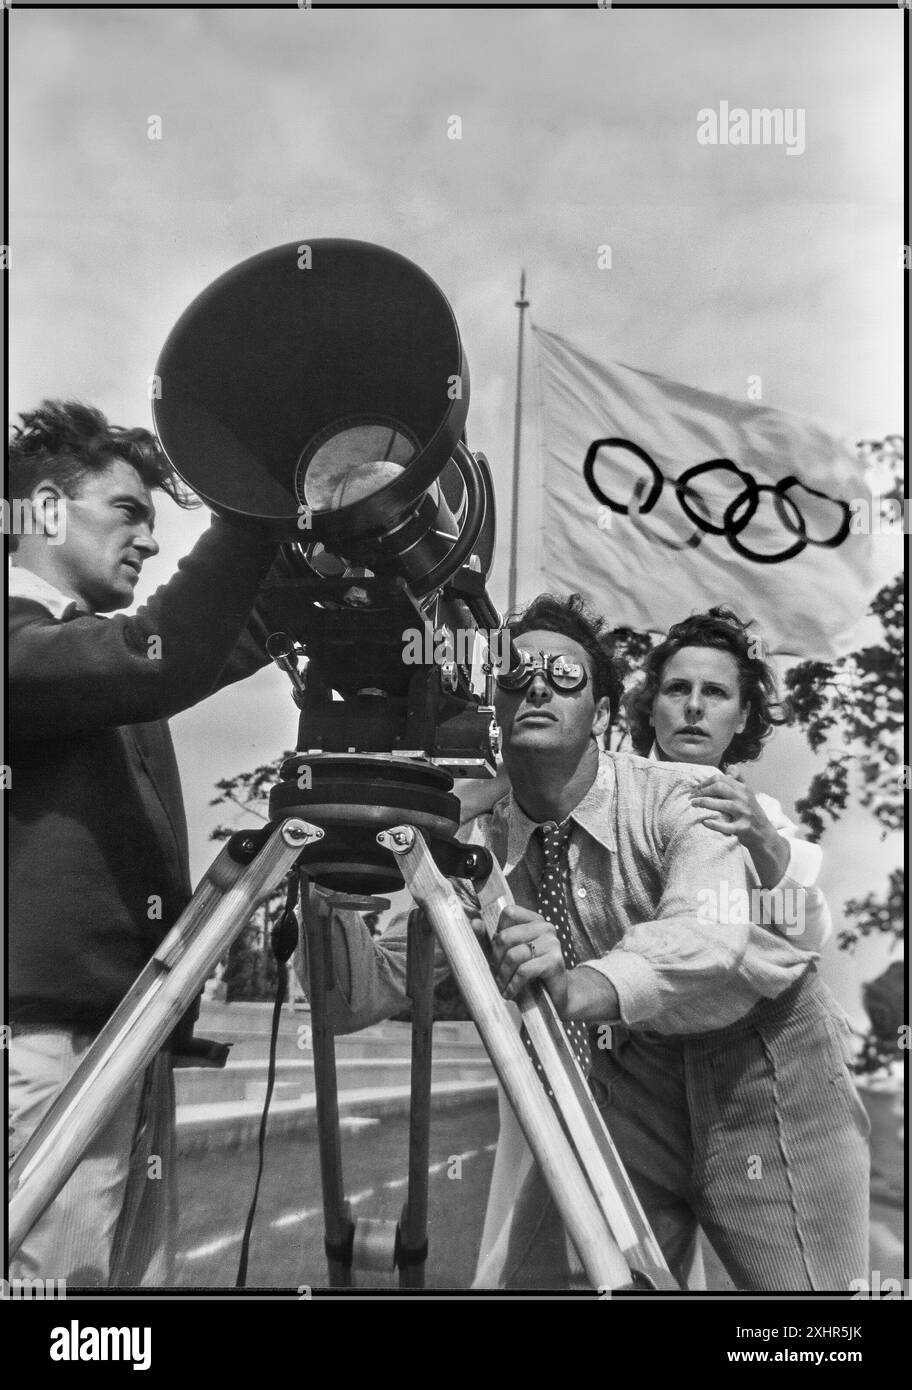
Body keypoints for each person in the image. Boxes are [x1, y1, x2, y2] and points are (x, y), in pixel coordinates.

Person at [296, 592, 870, 1291]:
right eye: (516, 676)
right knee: (539, 1283)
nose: (537, 684)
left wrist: (581, 984)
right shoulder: (481, 842)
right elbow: (361, 995)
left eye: (565, 675)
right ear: (497, 710)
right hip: (630, 1071)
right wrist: (333, 865)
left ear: (601, 713)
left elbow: (708, 931)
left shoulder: (686, 793)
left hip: (764, 1068)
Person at [7, 400, 282, 1287]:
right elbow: (157, 654)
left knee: (119, 1317)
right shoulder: (22, 642)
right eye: (128, 511)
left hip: (120, 1043)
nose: (150, 542)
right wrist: (254, 507)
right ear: (44, 510)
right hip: (42, 1047)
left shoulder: (92, 653)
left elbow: (203, 643)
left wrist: (311, 562)